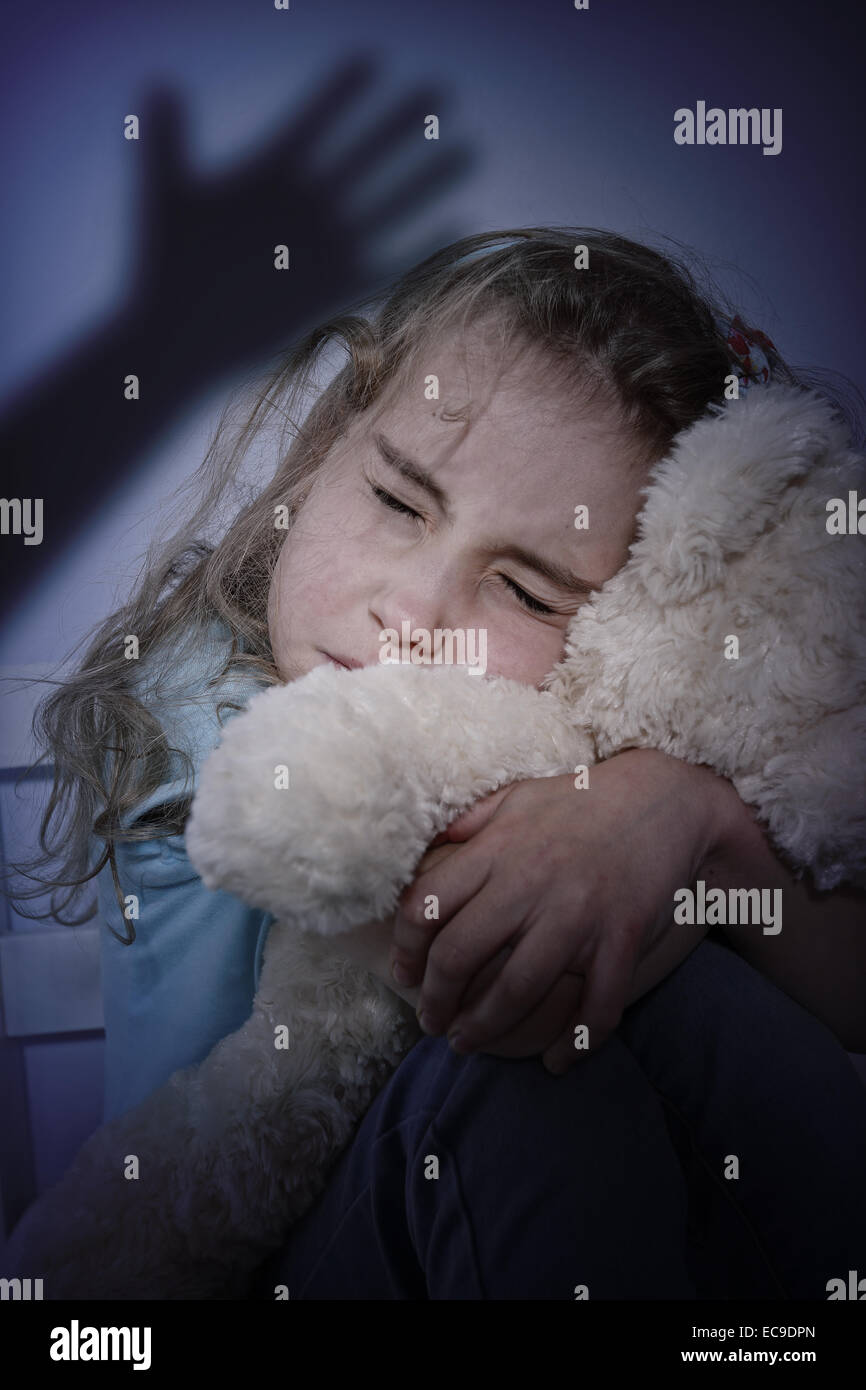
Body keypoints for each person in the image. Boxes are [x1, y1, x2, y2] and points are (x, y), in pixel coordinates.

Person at [6, 227, 866, 1297]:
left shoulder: (587, 736)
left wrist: (683, 815)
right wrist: (638, 874)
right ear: (328, 444)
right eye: (399, 501)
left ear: (631, 619)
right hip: (248, 1264)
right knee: (510, 1070)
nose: (412, 613)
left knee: (709, 1016)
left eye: (526, 589)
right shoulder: (211, 721)